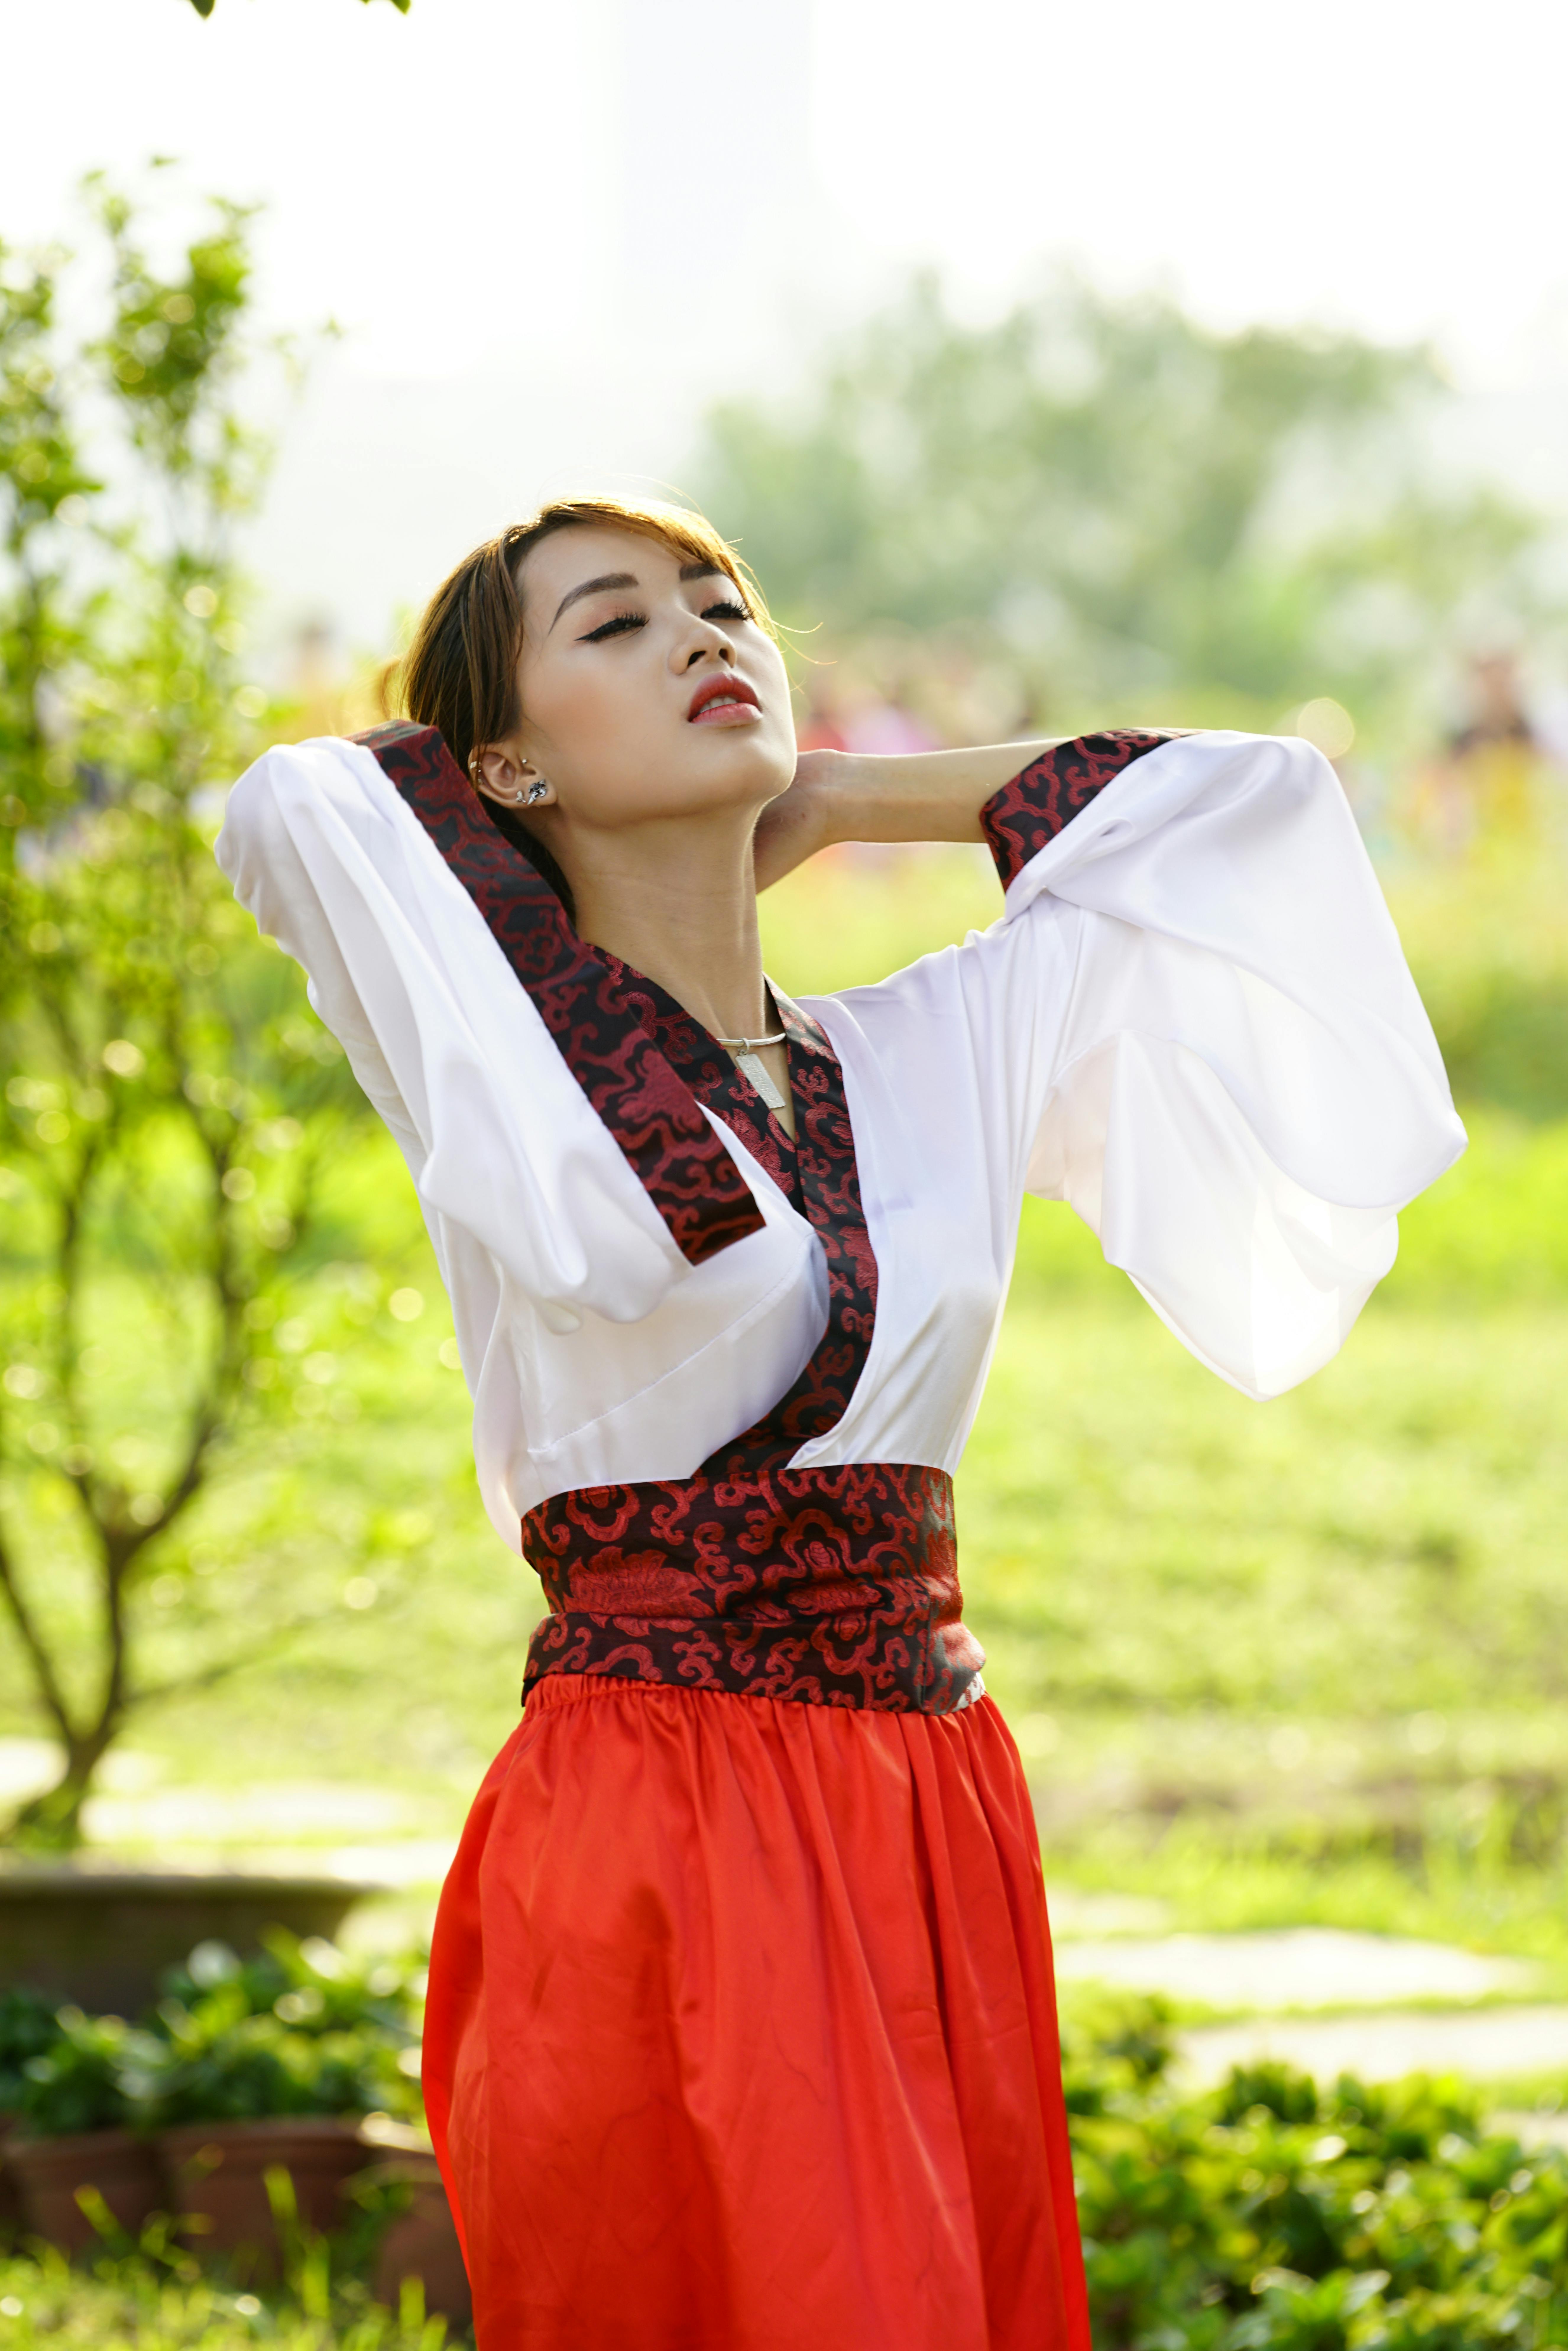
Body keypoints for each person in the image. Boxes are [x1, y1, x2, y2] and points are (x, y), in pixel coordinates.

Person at [216, 496, 1464, 2351]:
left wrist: (851, 798)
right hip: (656, 1802)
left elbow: (1249, 799)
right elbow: (289, 808)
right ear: (503, 764)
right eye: (614, 624)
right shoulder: (504, 1066)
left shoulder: (925, 1055)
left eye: (723, 607)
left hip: (925, 1792)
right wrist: (543, 851)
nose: (702, 639)